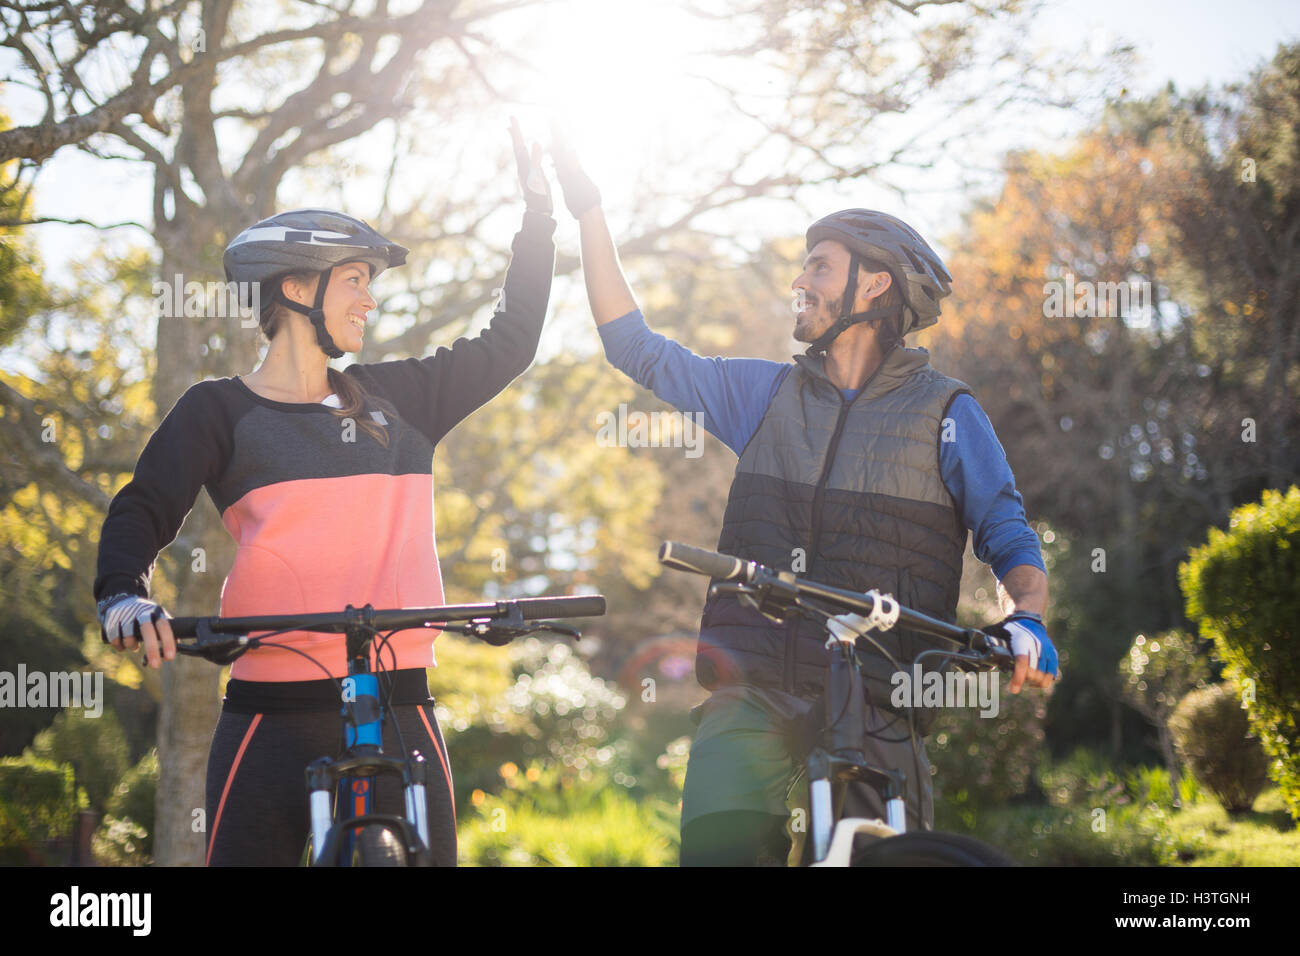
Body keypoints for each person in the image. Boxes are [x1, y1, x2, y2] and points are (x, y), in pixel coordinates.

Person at [550, 143, 1059, 866]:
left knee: (874, 854)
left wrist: (1026, 620)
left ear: (875, 284)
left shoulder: (947, 411)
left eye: (818, 266)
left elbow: (1006, 532)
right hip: (751, 681)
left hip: (880, 689)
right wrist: (591, 211)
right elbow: (635, 347)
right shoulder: (766, 395)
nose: (799, 280)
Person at [93, 124, 557, 866]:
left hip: (400, 701)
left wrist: (538, 219)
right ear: (297, 286)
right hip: (272, 711)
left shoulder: (400, 398)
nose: (369, 301)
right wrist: (124, 595)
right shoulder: (217, 411)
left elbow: (511, 341)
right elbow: (143, 508)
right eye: (356, 280)